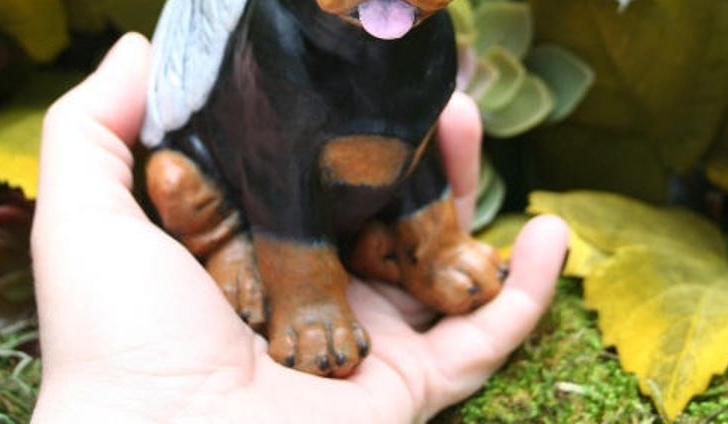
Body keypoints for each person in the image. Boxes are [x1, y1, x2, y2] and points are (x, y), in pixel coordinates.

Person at [31, 32, 569, 422]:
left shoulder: (422, 39)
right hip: (236, 180)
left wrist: (436, 240)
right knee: (176, 178)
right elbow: (273, 169)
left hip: (354, 196)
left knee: (413, 135)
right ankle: (234, 248)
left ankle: (418, 250)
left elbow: (412, 149)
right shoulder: (280, 52)